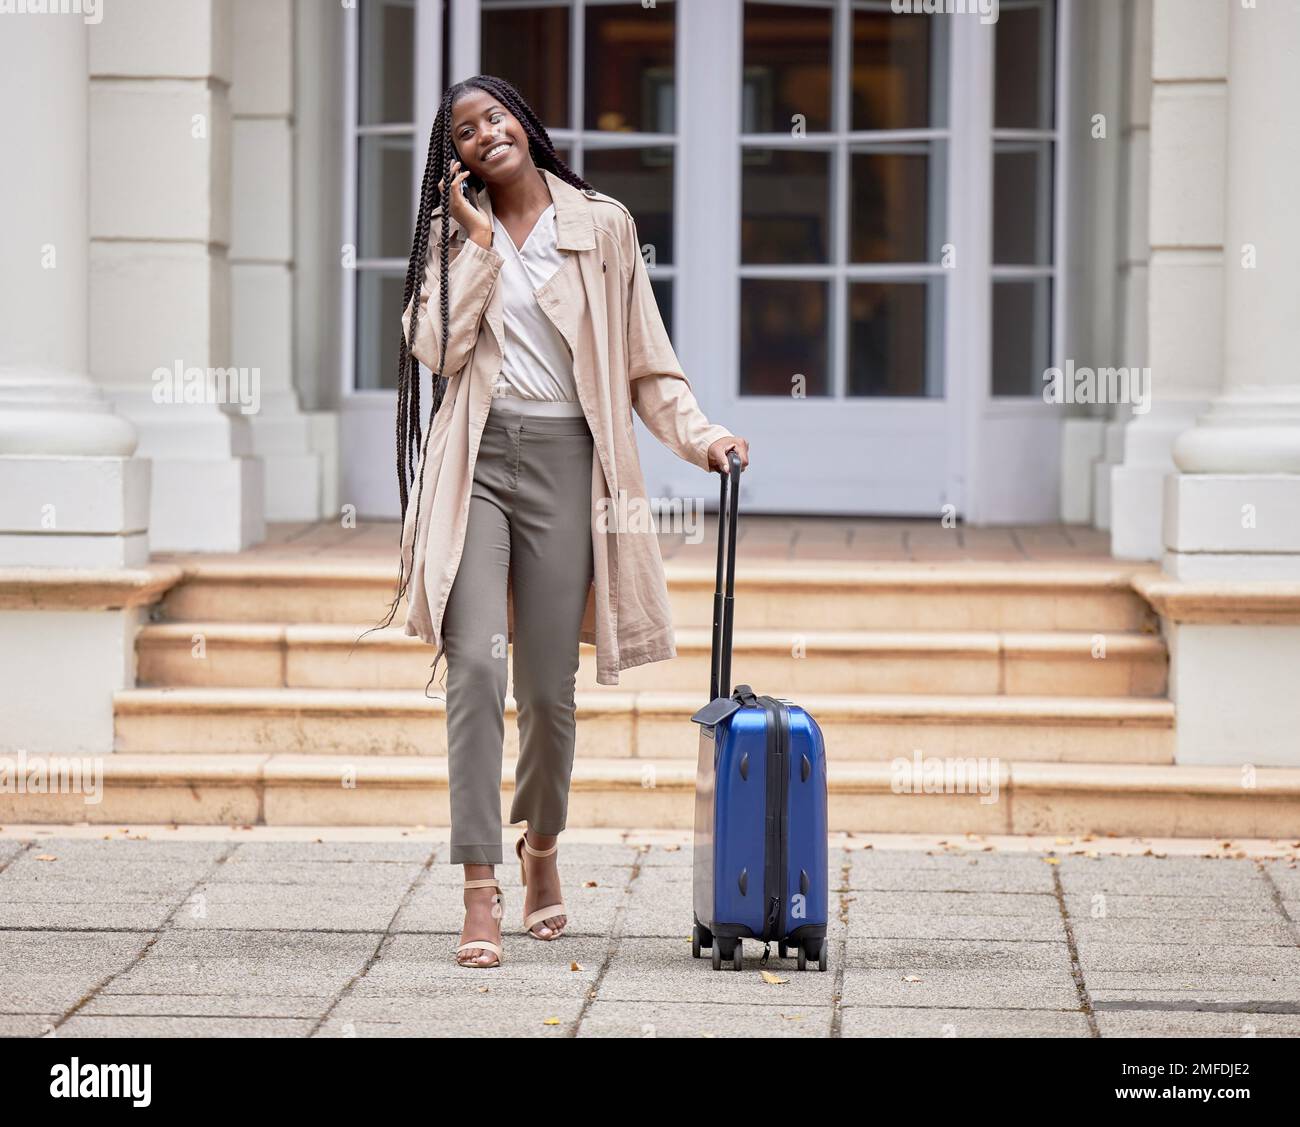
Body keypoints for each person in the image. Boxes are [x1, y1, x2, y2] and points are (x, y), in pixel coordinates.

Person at [375, 75, 750, 968]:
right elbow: (432, 348)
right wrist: (474, 244)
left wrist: (702, 437)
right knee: (473, 668)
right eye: (464, 132)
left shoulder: (602, 225)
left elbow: (645, 362)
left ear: (523, 123)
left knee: (546, 690)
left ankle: (539, 849)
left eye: (494, 117)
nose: (483, 135)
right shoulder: (447, 237)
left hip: (570, 467)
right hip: (475, 464)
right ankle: (477, 886)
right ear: (455, 157)